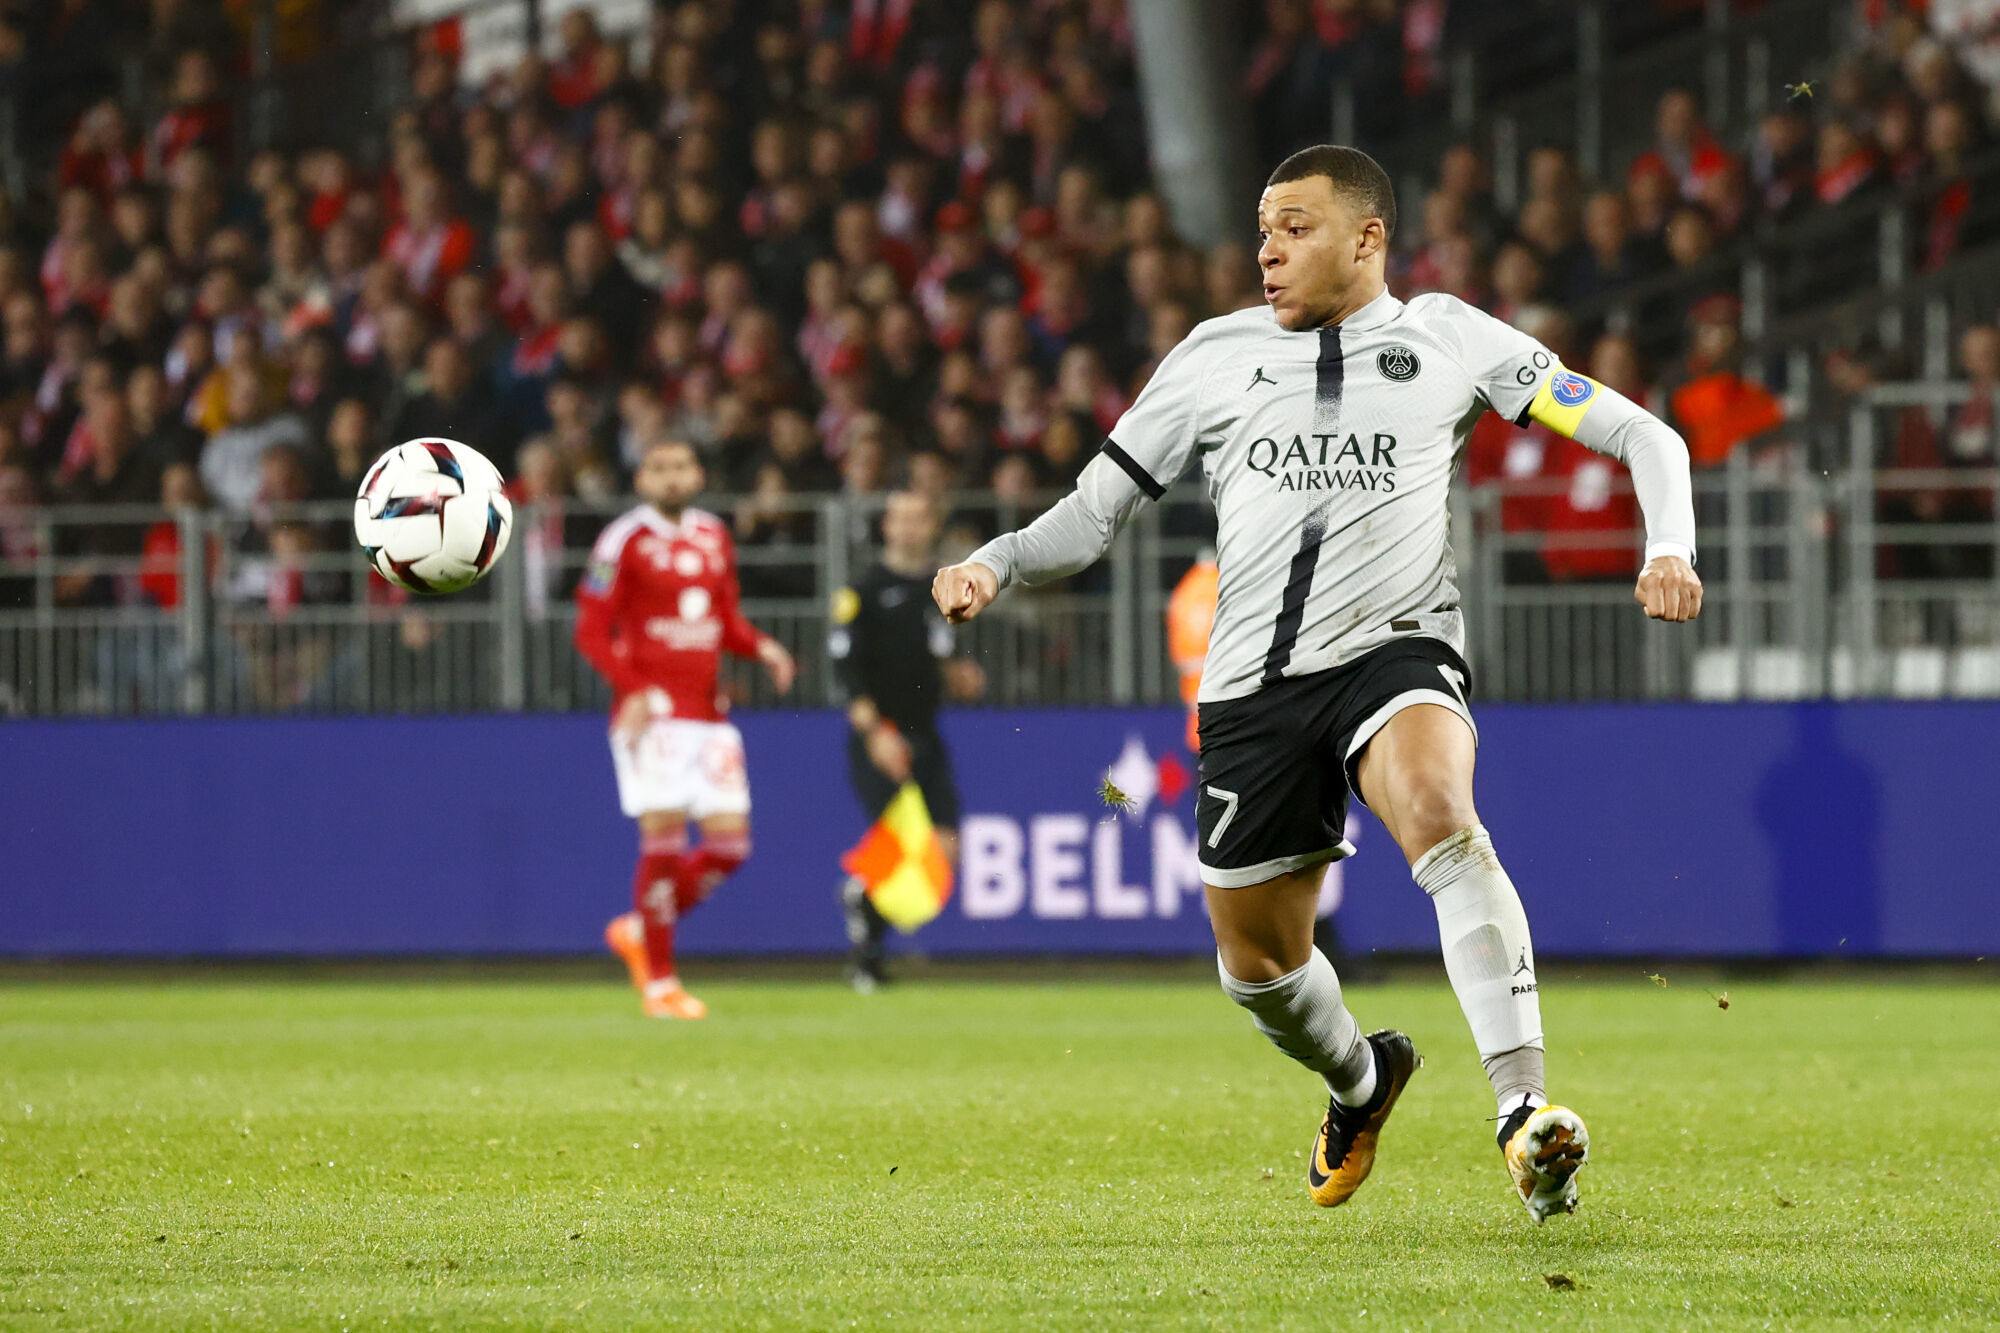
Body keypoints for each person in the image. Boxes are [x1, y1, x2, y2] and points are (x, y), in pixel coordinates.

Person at [932, 145, 1702, 1222]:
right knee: (1255, 964)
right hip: (1250, 690)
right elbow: (1092, 513)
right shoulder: (1212, 354)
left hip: (1395, 650)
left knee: (1441, 815)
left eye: (1293, 227)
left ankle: (1522, 1113)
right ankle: (1360, 1079)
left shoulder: (1447, 336)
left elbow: (1642, 434)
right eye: (1262, 231)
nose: (1268, 250)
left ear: (1367, 237)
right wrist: (995, 561)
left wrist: (1668, 547)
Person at [573, 437, 797, 1019]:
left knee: (729, 847)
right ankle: (660, 985)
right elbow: (590, 631)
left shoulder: (714, 534)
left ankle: (638, 929)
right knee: (664, 845)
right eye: (659, 468)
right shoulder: (623, 539)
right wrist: (634, 690)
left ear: (697, 475)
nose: (672, 477)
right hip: (655, 717)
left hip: (709, 714)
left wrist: (763, 647)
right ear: (642, 479)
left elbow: (723, 620)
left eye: (681, 467)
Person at [829, 490, 983, 991]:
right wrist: (875, 733)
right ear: (888, 527)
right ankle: (867, 958)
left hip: (926, 733)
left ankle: (862, 898)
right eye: (902, 519)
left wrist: (959, 675)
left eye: (920, 518)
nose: (911, 528)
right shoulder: (864, 591)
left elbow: (940, 655)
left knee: (946, 849)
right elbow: (847, 674)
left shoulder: (943, 587)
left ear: (933, 525)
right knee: (899, 845)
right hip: (884, 735)